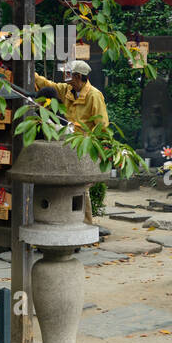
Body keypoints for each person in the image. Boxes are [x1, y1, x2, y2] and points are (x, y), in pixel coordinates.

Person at [34, 59, 109, 229]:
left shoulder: (94, 95)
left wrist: (99, 150)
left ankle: (86, 225)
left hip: (84, 146)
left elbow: (102, 125)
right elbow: (49, 85)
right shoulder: (67, 89)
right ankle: (72, 224)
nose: (66, 77)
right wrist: (33, 75)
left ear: (78, 76)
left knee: (82, 188)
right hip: (67, 144)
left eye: (69, 75)